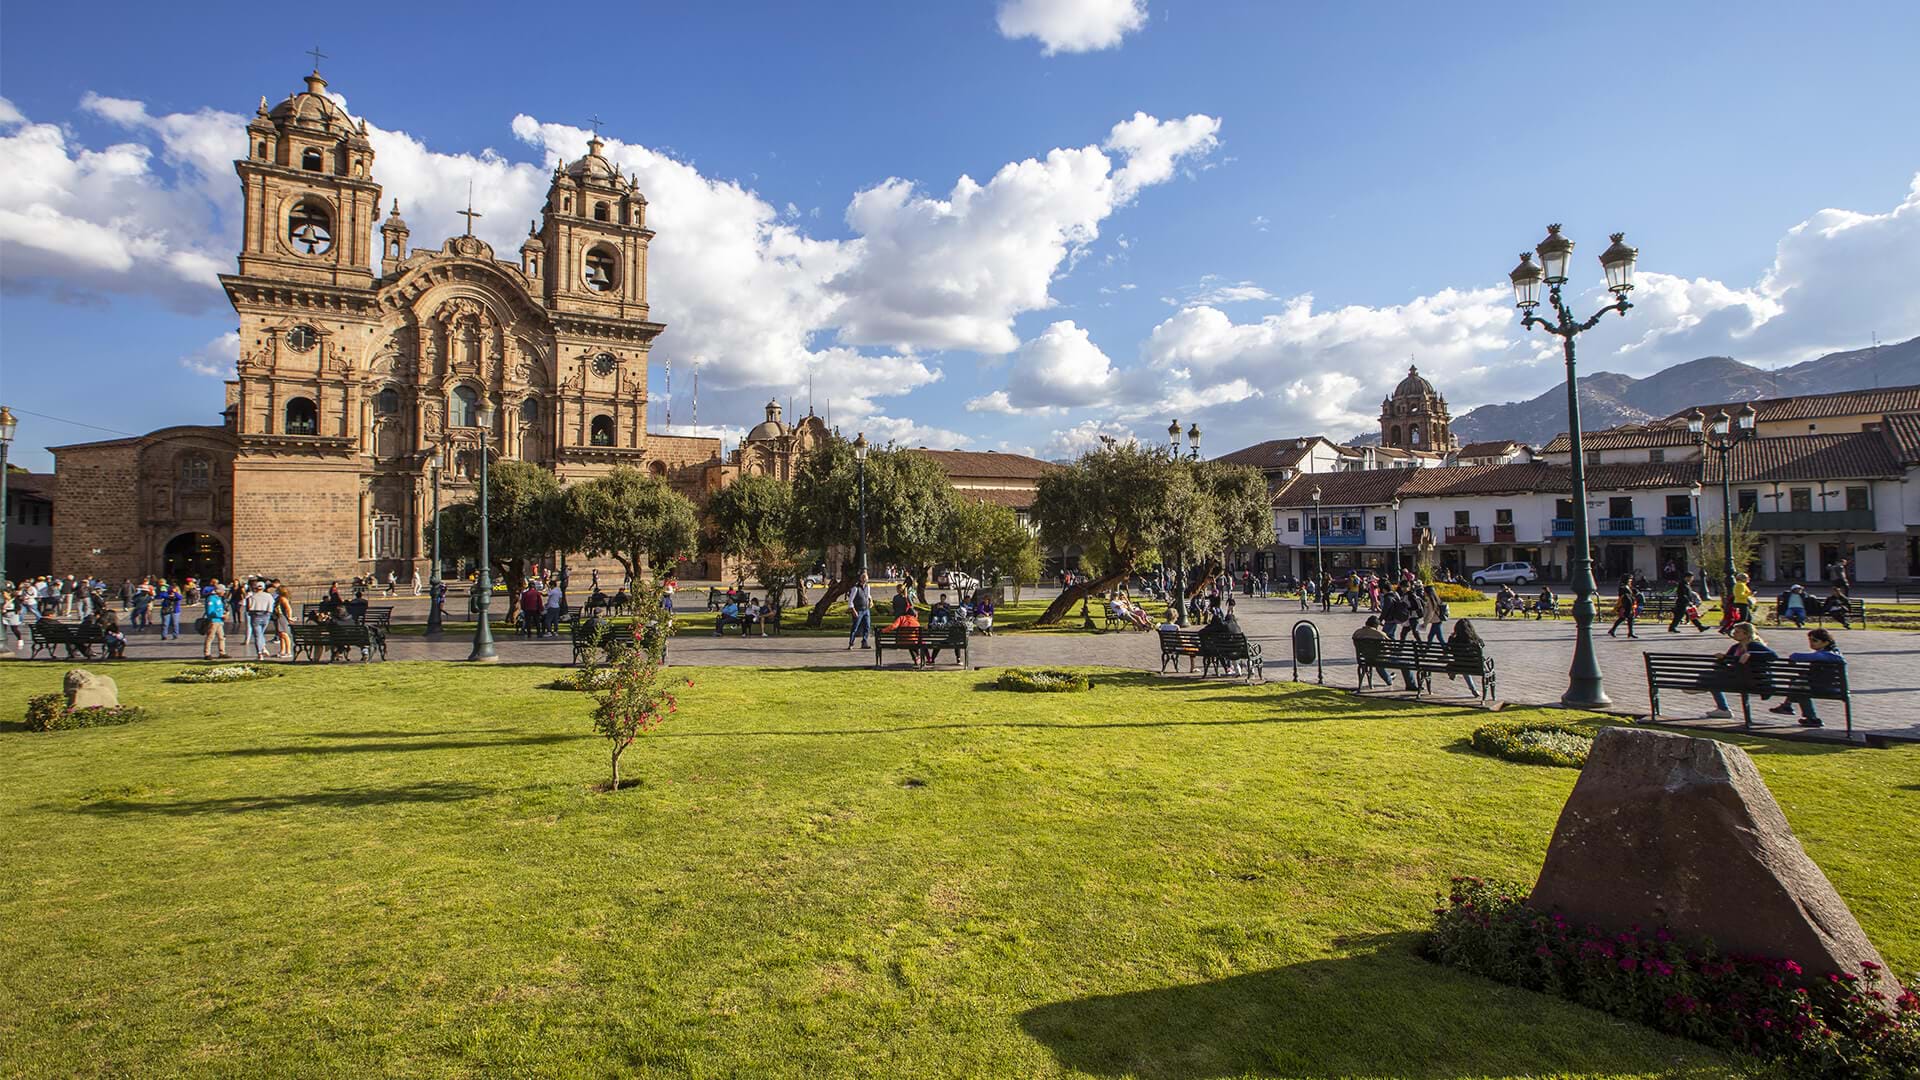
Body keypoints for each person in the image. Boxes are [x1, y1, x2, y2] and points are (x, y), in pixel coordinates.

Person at [1769, 628, 1844, 728]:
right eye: (1810, 640)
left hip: (1827, 687)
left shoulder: (1830, 654)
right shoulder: (1829, 653)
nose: (1811, 643)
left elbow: (1810, 657)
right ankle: (1808, 717)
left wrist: (1794, 656)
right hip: (1824, 685)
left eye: (1815, 640)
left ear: (1826, 642)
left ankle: (1791, 708)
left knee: (1800, 685)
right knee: (1799, 684)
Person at [1701, 623, 1774, 719]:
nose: (1734, 634)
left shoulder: (1754, 645)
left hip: (1754, 681)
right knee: (1711, 677)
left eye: (1737, 632)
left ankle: (1703, 690)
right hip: (1739, 678)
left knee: (1711, 679)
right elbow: (1728, 662)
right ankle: (1721, 707)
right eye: (1734, 631)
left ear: (1746, 634)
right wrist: (1723, 658)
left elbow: (1773, 655)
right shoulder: (1736, 647)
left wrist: (1750, 654)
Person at [1352, 616, 1407, 689]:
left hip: (1365, 658)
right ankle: (1411, 685)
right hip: (1380, 658)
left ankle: (1389, 679)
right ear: (1376, 625)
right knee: (1405, 663)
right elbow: (1391, 645)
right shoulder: (1380, 634)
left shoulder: (1357, 633)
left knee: (1377, 662)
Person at [1445, 619, 1486, 697]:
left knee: (1460, 665)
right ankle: (1473, 690)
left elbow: (1447, 650)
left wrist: (1450, 638)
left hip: (1460, 665)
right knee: (1465, 665)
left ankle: (1453, 672)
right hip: (1475, 666)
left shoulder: (1455, 640)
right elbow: (1482, 644)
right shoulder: (1474, 639)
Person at [243, 580, 275, 659]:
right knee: (261, 634)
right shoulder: (268, 596)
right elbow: (271, 606)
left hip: (255, 615)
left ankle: (259, 653)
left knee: (258, 635)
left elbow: (249, 607)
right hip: (265, 615)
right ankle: (263, 648)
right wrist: (269, 613)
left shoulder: (252, 596)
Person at [202, 584, 230, 659]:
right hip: (214, 621)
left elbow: (219, 609)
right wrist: (220, 615)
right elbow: (210, 611)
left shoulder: (219, 598)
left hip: (219, 621)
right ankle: (207, 653)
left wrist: (224, 613)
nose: (224, 592)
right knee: (210, 637)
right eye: (223, 590)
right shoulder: (211, 599)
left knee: (222, 637)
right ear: (219, 591)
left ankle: (222, 652)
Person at [846, 572, 873, 650]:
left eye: (866, 578)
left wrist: (870, 601)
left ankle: (864, 642)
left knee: (867, 626)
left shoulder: (867, 587)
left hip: (866, 609)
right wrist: (853, 610)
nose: (865, 579)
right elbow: (850, 601)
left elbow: (868, 595)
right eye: (863, 577)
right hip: (858, 610)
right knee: (855, 627)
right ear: (860, 578)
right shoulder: (855, 588)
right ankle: (851, 643)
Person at [272, 584, 294, 658]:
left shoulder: (283, 599)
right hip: (278, 616)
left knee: (284, 634)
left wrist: (289, 617)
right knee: (281, 634)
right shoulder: (279, 598)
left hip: (282, 617)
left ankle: (288, 651)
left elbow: (288, 608)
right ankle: (282, 650)